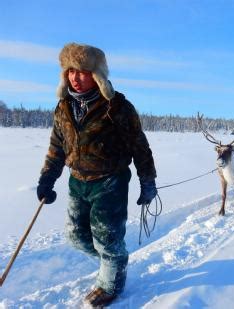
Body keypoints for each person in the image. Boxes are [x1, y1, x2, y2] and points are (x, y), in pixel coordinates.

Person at [36, 42, 157, 307]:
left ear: (97, 75)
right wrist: (47, 178)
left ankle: (110, 284)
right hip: (78, 181)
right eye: (70, 71)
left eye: (82, 72)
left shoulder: (117, 107)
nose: (75, 78)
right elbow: (57, 146)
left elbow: (139, 145)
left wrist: (147, 181)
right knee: (76, 236)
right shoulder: (63, 107)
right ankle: (113, 258)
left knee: (106, 237)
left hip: (110, 182)